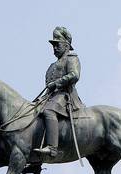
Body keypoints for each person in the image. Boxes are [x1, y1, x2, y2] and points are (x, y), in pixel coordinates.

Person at [32, 26, 84, 161]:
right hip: (51, 97)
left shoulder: (72, 58)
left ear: (66, 45)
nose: (54, 48)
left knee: (49, 111)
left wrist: (57, 83)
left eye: (57, 44)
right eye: (53, 45)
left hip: (66, 96)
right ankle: (35, 157)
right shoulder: (51, 66)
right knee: (33, 112)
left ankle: (52, 148)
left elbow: (74, 75)